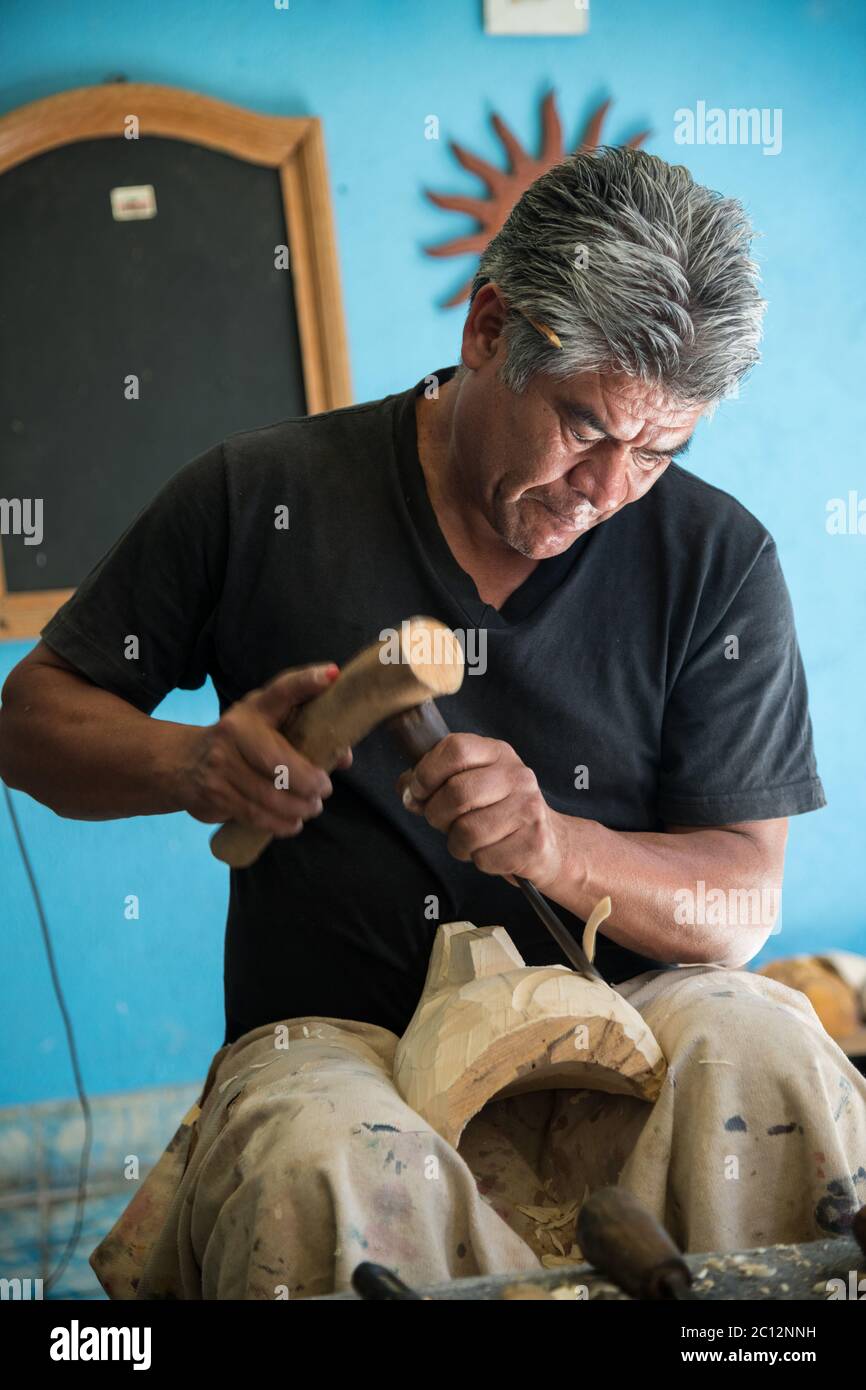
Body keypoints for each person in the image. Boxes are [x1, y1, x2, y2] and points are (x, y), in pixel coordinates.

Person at [2, 147, 863, 1300]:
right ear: (487, 329)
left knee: (767, 1043)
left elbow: (739, 900)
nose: (606, 489)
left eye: (658, 451)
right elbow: (32, 717)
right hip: (339, 1040)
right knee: (323, 1160)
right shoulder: (258, 495)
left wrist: (555, 845)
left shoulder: (715, 559)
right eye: (582, 425)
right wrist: (196, 761)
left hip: (618, 1019)